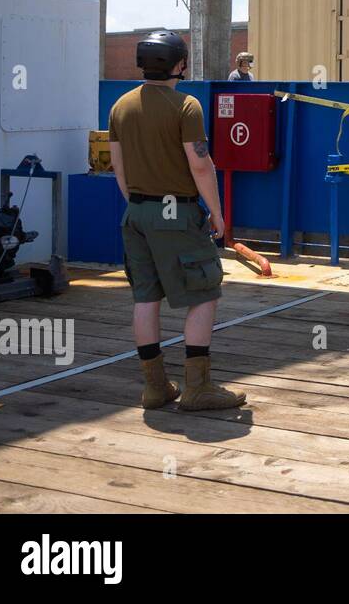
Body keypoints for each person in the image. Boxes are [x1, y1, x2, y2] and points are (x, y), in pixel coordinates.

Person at [107, 30, 247, 411]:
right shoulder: (186, 106)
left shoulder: (120, 106)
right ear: (180, 63)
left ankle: (155, 387)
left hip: (136, 212)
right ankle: (197, 387)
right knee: (204, 293)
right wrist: (217, 213)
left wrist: (139, 203)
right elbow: (200, 164)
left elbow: (117, 165)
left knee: (145, 297)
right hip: (177, 213)